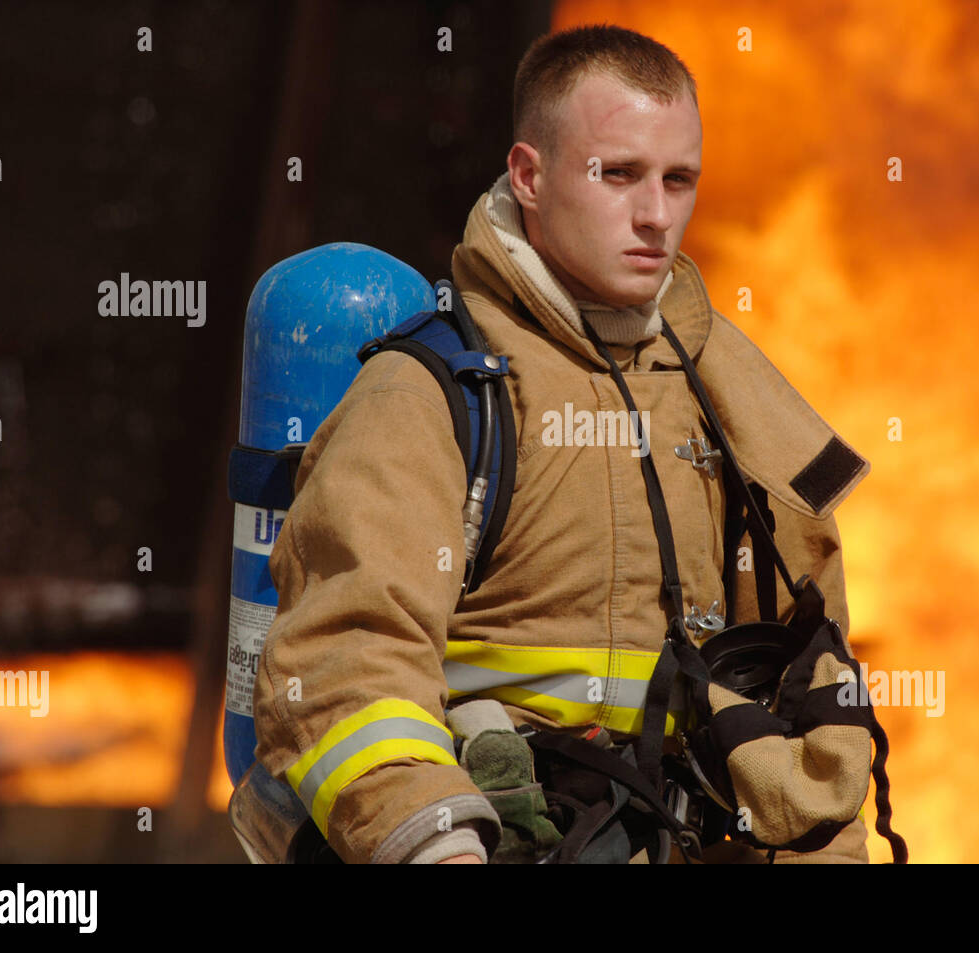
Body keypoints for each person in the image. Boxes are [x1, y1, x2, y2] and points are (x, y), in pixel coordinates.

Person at [254, 23, 875, 864]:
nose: (656, 215)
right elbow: (345, 658)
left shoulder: (727, 400)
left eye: (678, 179)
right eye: (617, 174)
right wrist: (439, 843)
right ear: (529, 177)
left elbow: (804, 691)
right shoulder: (431, 396)